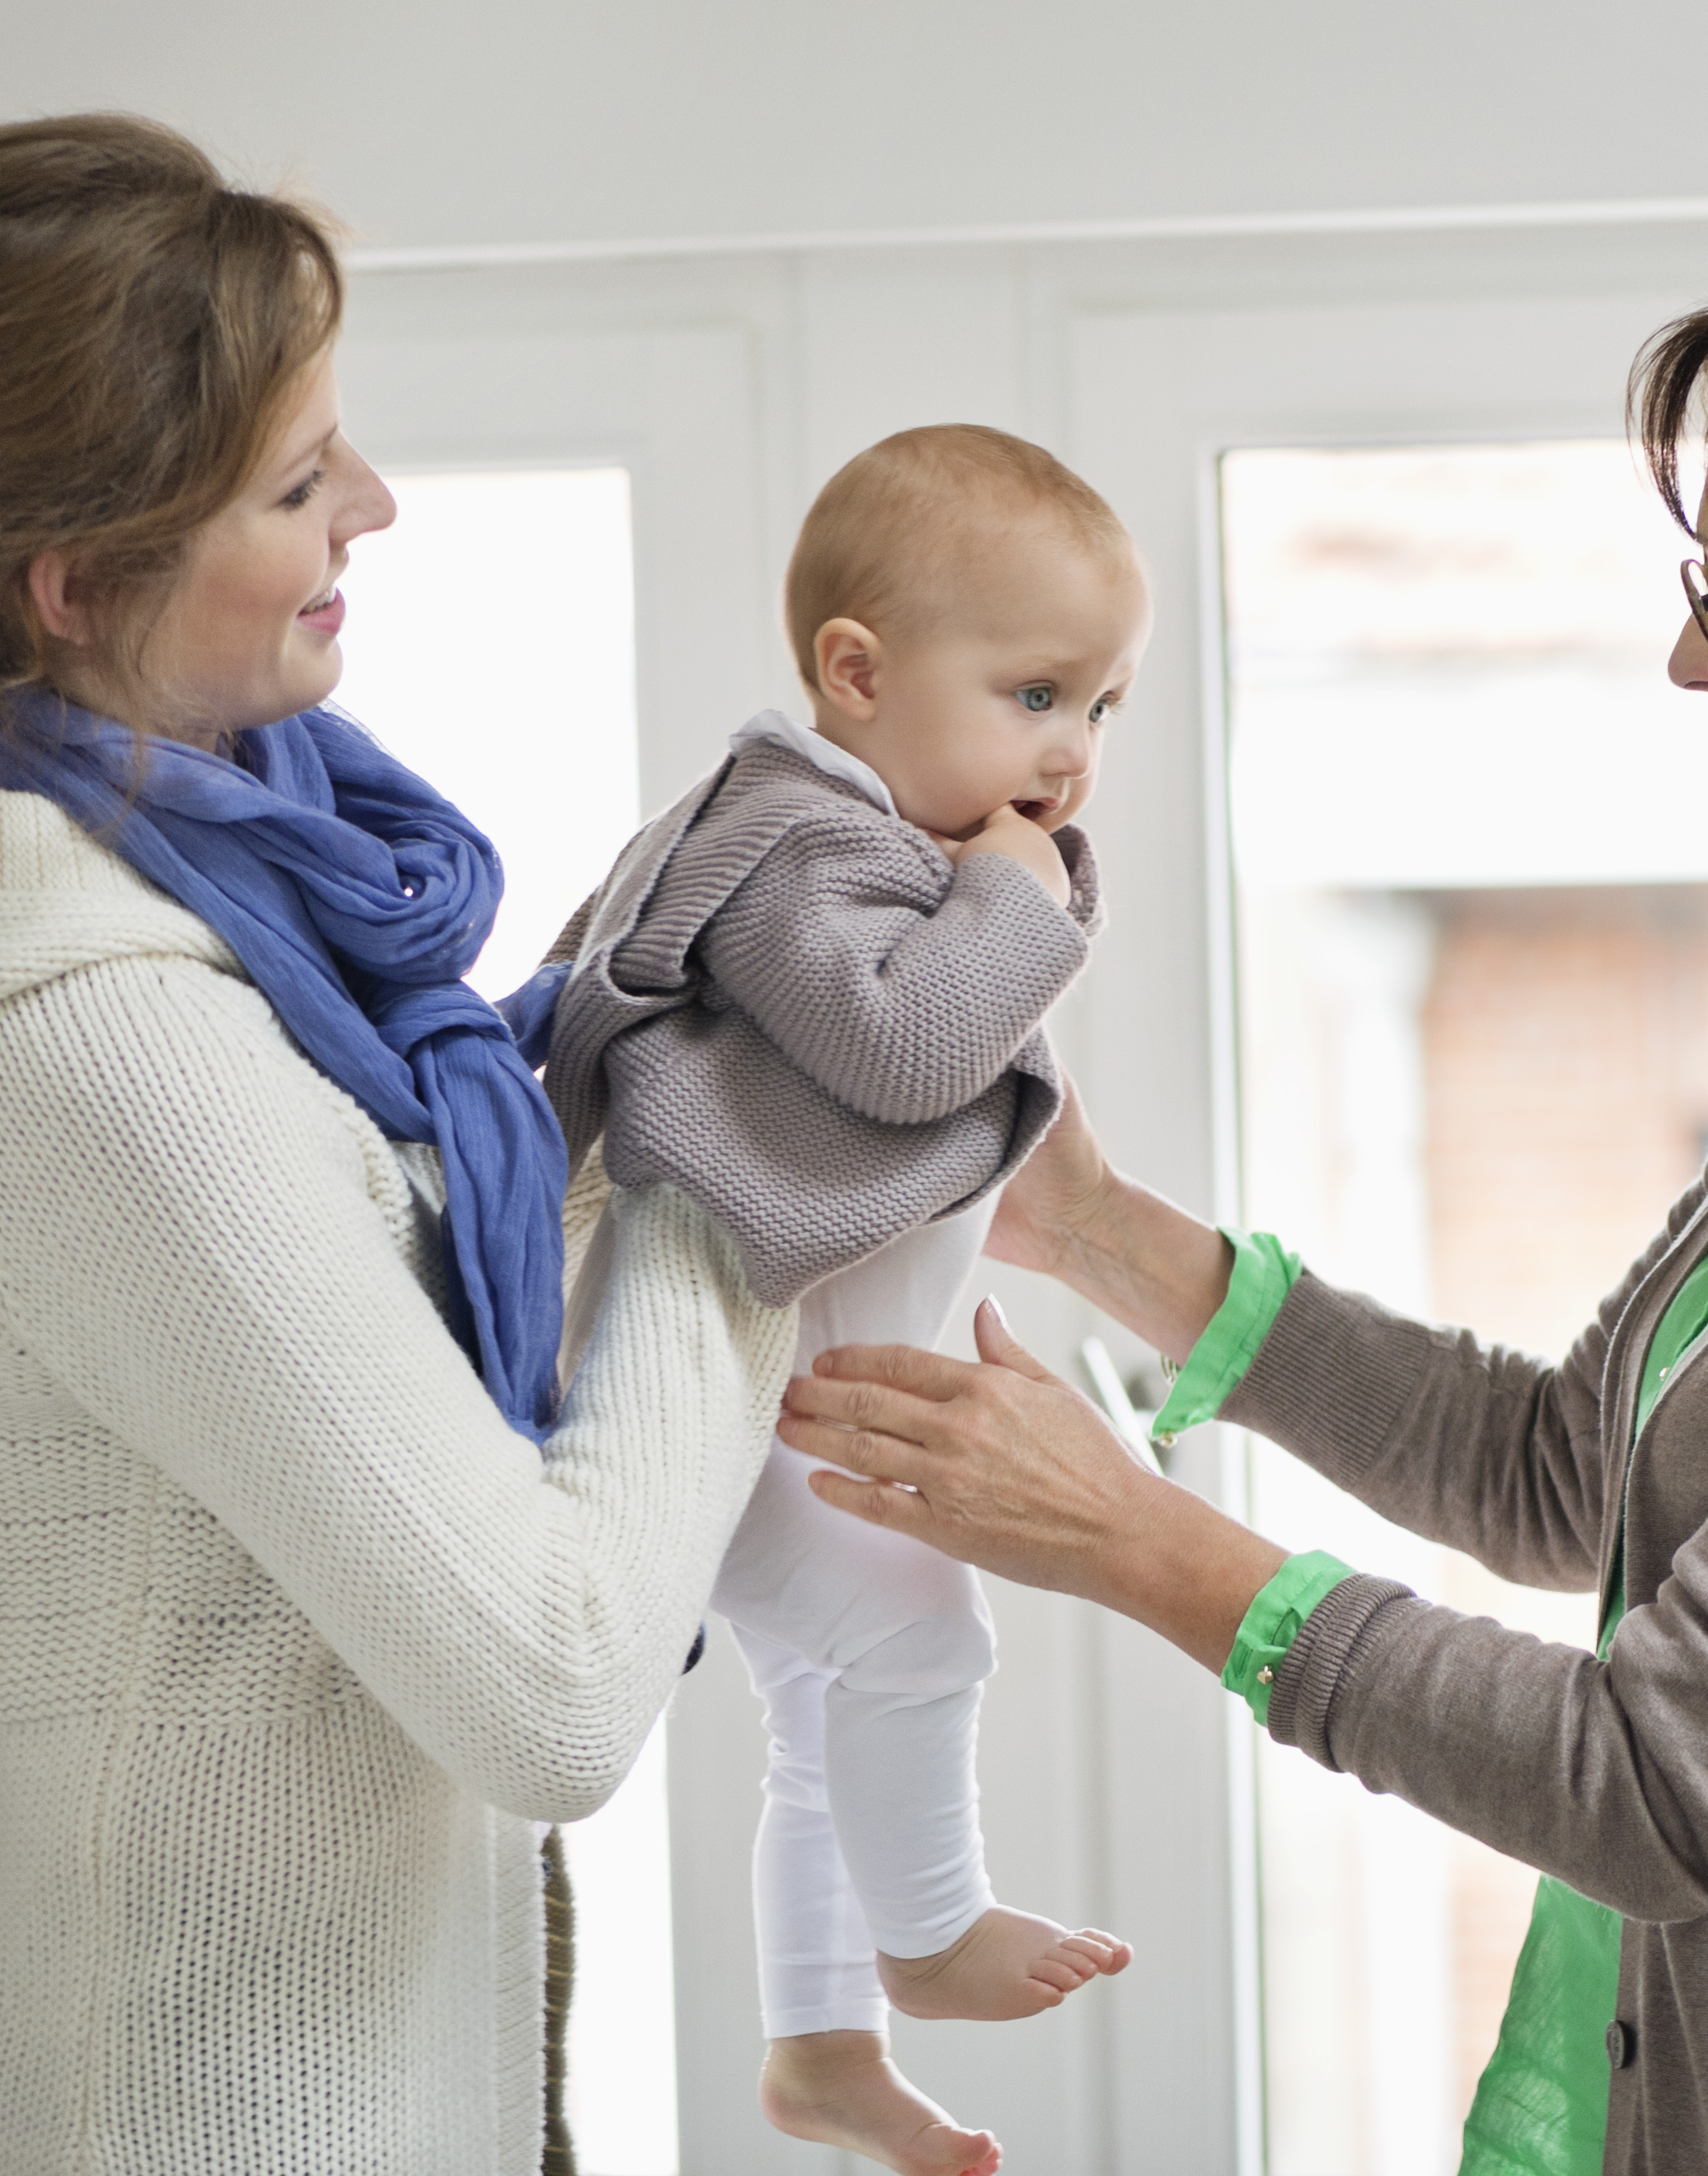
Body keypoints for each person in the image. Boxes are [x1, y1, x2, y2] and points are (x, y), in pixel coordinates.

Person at [777, 228, 1708, 2175]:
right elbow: (1578, 1469)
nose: (1692, 657)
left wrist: (1131, 1539)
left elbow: (1654, 1779)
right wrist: (1099, 1228)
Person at [0, 115, 789, 2172]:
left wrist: (655, 1002)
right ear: (75, 585)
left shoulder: (197, 915)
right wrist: (762, 1178)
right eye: (297, 484)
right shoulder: (102, 1057)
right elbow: (555, 1683)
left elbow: (363, 1268)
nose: (373, 504)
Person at [541, 426, 1145, 2176]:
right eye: (1036, 694)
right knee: (921, 1644)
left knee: (827, 1713)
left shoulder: (868, 837)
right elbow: (903, 1049)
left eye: (1104, 706)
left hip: (802, 1391)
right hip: (727, 1401)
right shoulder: (791, 848)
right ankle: (928, 1932)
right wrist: (1021, 901)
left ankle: (821, 2047)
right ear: (858, 674)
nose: (1073, 753)